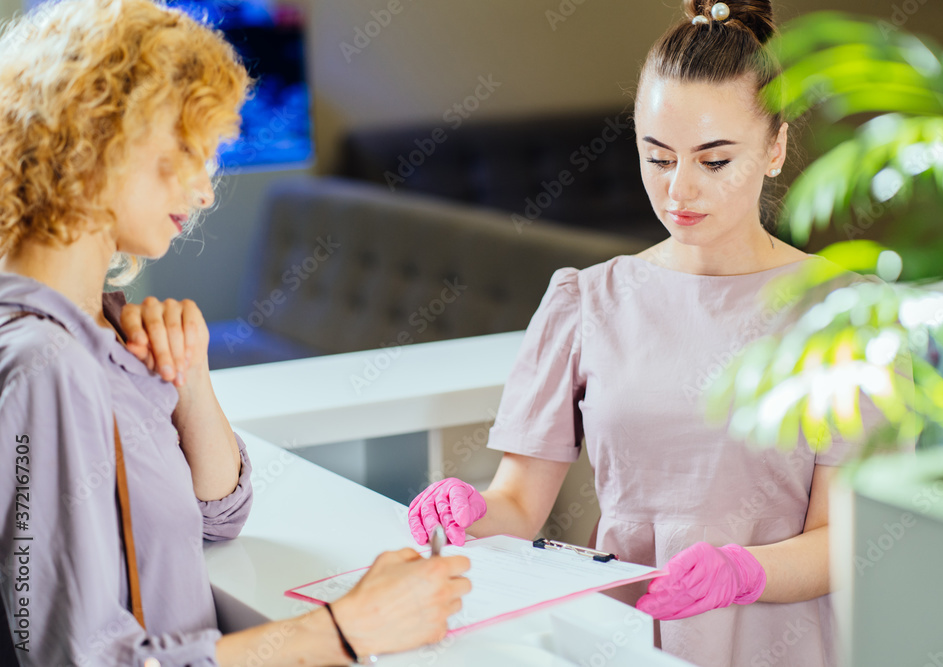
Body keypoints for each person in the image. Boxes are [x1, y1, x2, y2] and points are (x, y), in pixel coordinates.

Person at [0, 1, 469, 665]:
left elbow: (217, 516)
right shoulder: (45, 362)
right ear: (101, 137)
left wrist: (189, 377)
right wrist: (346, 629)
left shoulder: (96, 328)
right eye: (188, 149)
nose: (203, 190)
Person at [408, 1, 869, 665]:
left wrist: (745, 570)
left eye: (714, 161)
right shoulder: (584, 301)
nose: (679, 189)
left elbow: (845, 537)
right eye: (657, 156)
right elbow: (517, 502)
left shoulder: (840, 313)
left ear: (775, 147)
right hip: (620, 643)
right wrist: (467, 511)